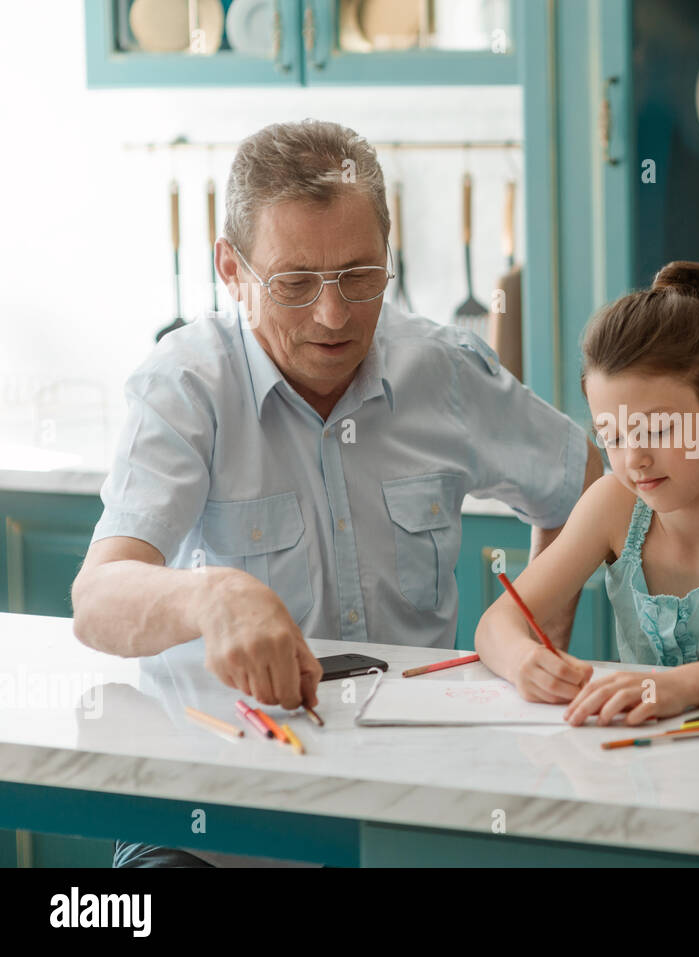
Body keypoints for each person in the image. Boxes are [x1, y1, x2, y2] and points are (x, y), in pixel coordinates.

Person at [70, 119, 603, 865]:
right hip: (214, 820)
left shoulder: (443, 370)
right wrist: (211, 596)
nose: (332, 316)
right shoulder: (186, 384)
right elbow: (97, 601)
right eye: (293, 284)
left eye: (360, 277)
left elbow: (585, 491)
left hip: (409, 810)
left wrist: (523, 643)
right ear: (231, 269)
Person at [475, 262, 699, 725]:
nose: (634, 459)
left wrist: (677, 688)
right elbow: (497, 622)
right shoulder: (613, 506)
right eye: (614, 436)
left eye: (659, 430)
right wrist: (523, 661)